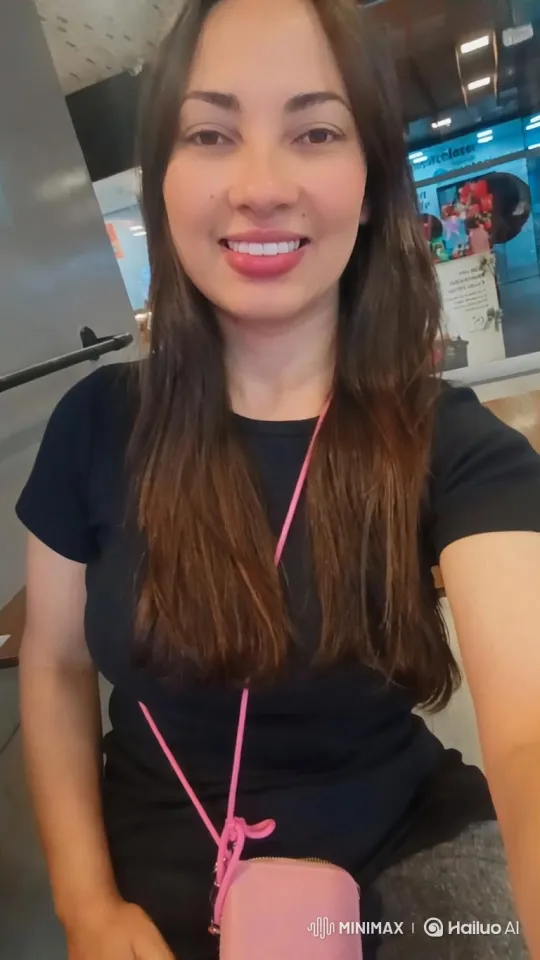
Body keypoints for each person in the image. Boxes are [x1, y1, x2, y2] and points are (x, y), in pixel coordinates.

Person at [15, 0, 540, 958]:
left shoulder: (453, 444)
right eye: (211, 134)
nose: (261, 186)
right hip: (155, 871)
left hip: (408, 849)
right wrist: (86, 903)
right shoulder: (94, 425)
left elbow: (528, 732)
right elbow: (53, 666)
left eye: (316, 132)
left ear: (371, 183)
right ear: (163, 182)